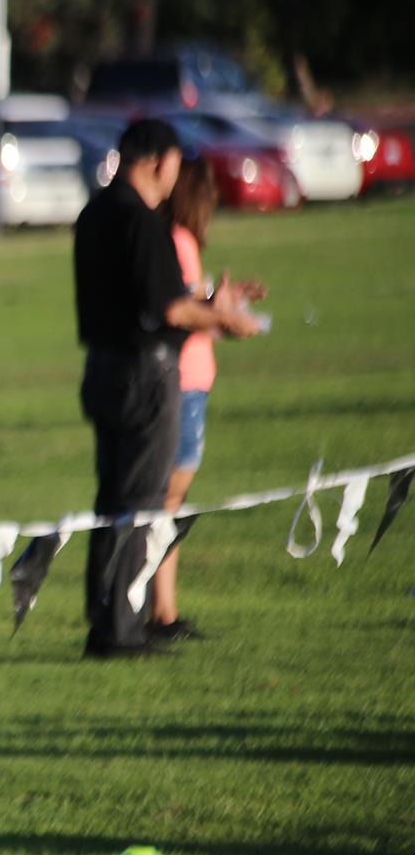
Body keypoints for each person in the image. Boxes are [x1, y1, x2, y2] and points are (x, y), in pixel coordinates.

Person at [71, 118, 263, 658]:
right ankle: (123, 631)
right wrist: (223, 321)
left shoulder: (94, 214)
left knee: (111, 501)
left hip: (102, 370)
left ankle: (104, 621)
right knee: (142, 503)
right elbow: (167, 307)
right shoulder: (143, 220)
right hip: (146, 375)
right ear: (158, 160)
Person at [152, 157, 264, 641]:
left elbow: (193, 302)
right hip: (181, 384)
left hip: (192, 382)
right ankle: (154, 612)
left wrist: (223, 299)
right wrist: (222, 315)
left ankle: (163, 611)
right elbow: (178, 311)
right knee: (163, 503)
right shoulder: (176, 241)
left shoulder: (180, 243)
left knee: (168, 504)